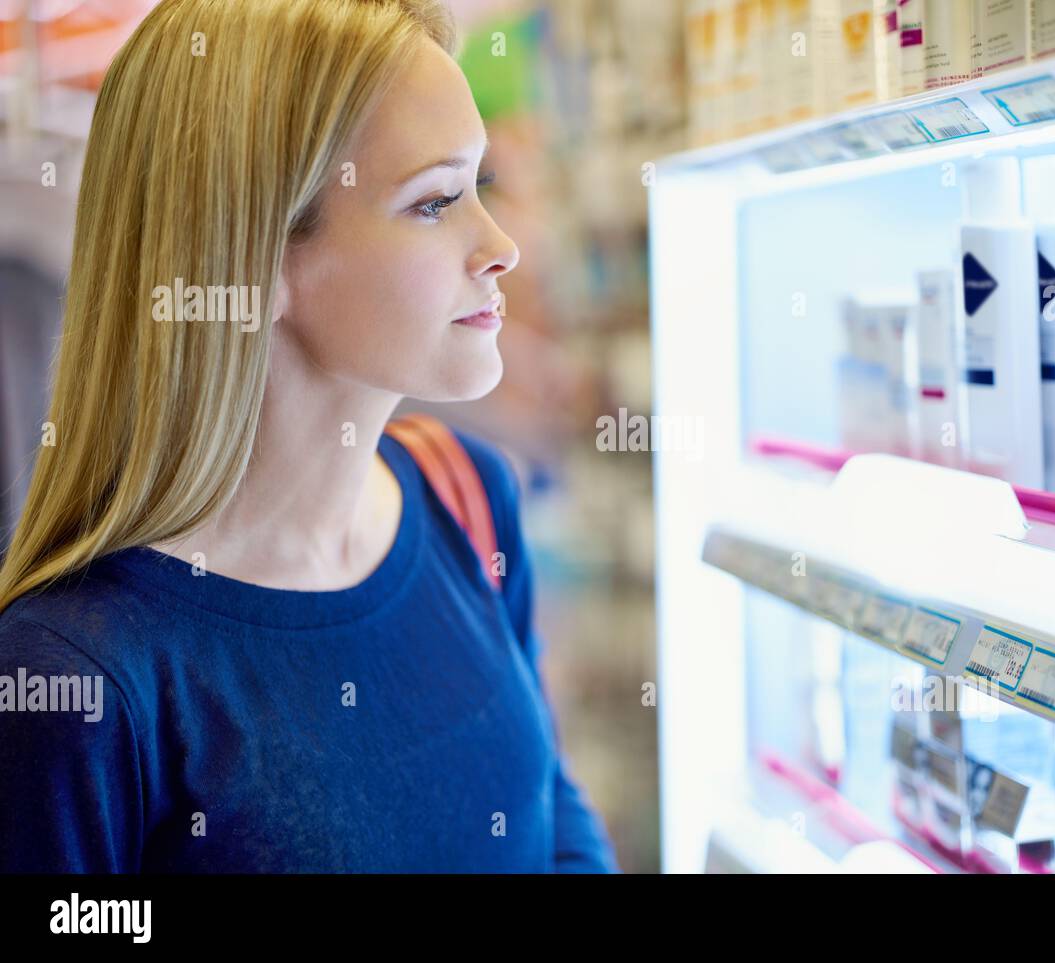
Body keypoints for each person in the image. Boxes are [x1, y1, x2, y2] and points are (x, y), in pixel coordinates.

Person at [0, 0, 618, 873]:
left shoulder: (467, 496)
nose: (502, 245)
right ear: (252, 262)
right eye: (436, 201)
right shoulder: (76, 680)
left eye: (481, 187)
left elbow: (549, 817)